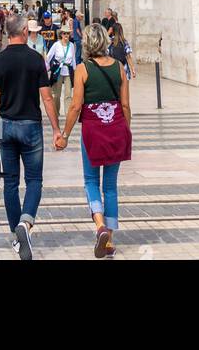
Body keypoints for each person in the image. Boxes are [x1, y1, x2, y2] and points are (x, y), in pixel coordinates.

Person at [0, 14, 62, 260]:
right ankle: (25, 224)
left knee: (10, 183)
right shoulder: (35, 59)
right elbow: (47, 97)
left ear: (9, 33)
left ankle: (16, 234)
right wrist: (56, 129)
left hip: (6, 127)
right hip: (30, 125)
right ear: (24, 32)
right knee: (34, 181)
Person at [58, 23, 132, 258]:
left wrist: (65, 135)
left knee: (91, 180)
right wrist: (125, 131)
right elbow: (126, 105)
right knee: (110, 185)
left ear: (87, 43)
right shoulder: (119, 67)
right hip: (116, 129)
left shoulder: (82, 69)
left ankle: (99, 225)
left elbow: (75, 105)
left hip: (92, 131)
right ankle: (108, 239)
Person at [46, 24, 76, 122]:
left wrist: (75, 72)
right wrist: (46, 68)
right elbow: (49, 56)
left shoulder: (71, 45)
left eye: (68, 33)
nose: (66, 35)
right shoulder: (56, 44)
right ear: (61, 34)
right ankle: (56, 113)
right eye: (64, 33)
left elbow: (74, 59)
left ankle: (68, 114)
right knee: (57, 94)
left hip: (68, 71)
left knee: (68, 94)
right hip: (58, 71)